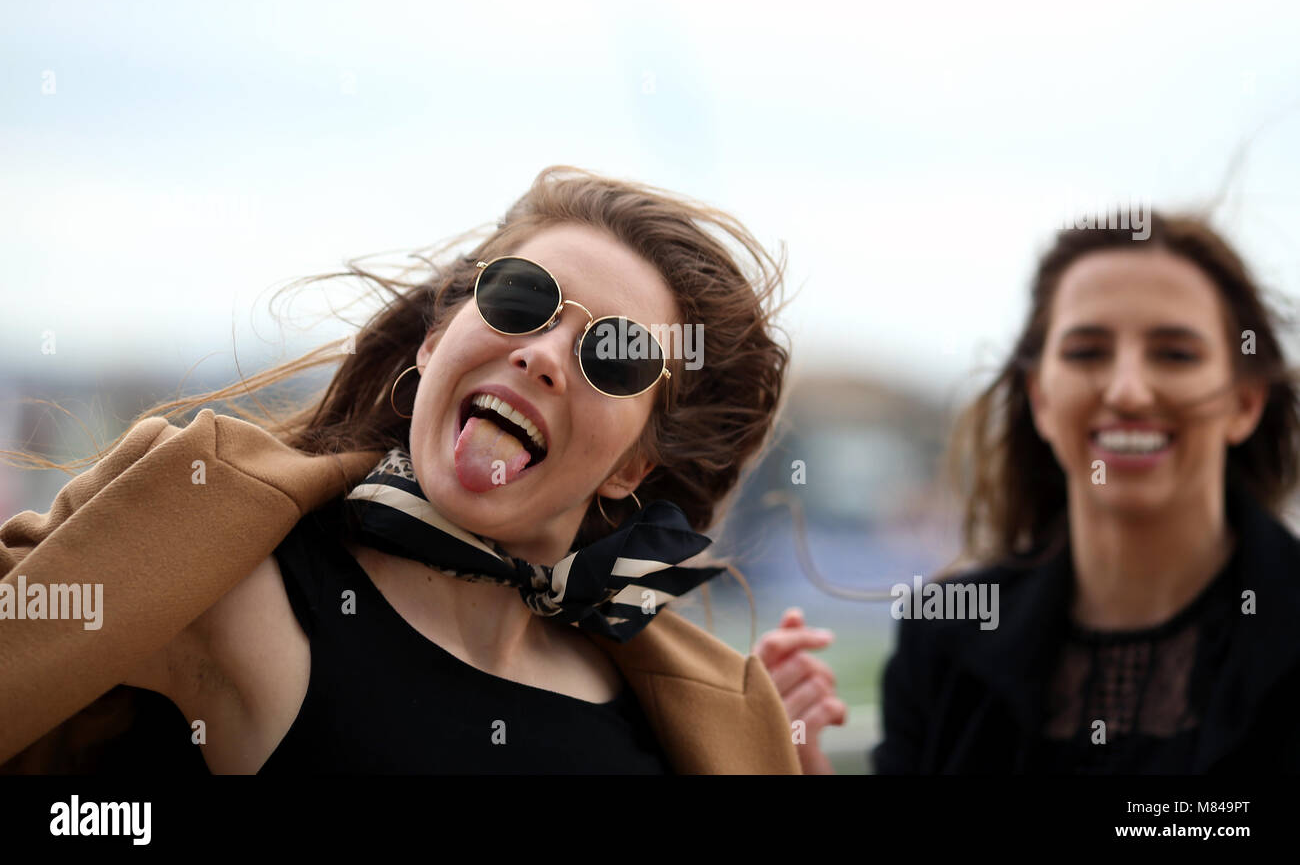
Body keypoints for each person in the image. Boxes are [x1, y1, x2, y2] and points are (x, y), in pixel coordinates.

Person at [0, 166, 845, 774]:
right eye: (522, 299)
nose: (546, 357)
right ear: (436, 341)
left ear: (633, 463)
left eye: (612, 355)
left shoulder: (684, 714)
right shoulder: (242, 587)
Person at [873, 210, 1300, 774]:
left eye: (1175, 353)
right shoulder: (940, 639)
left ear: (1245, 401)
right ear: (1041, 398)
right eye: (1086, 352)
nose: (1127, 391)